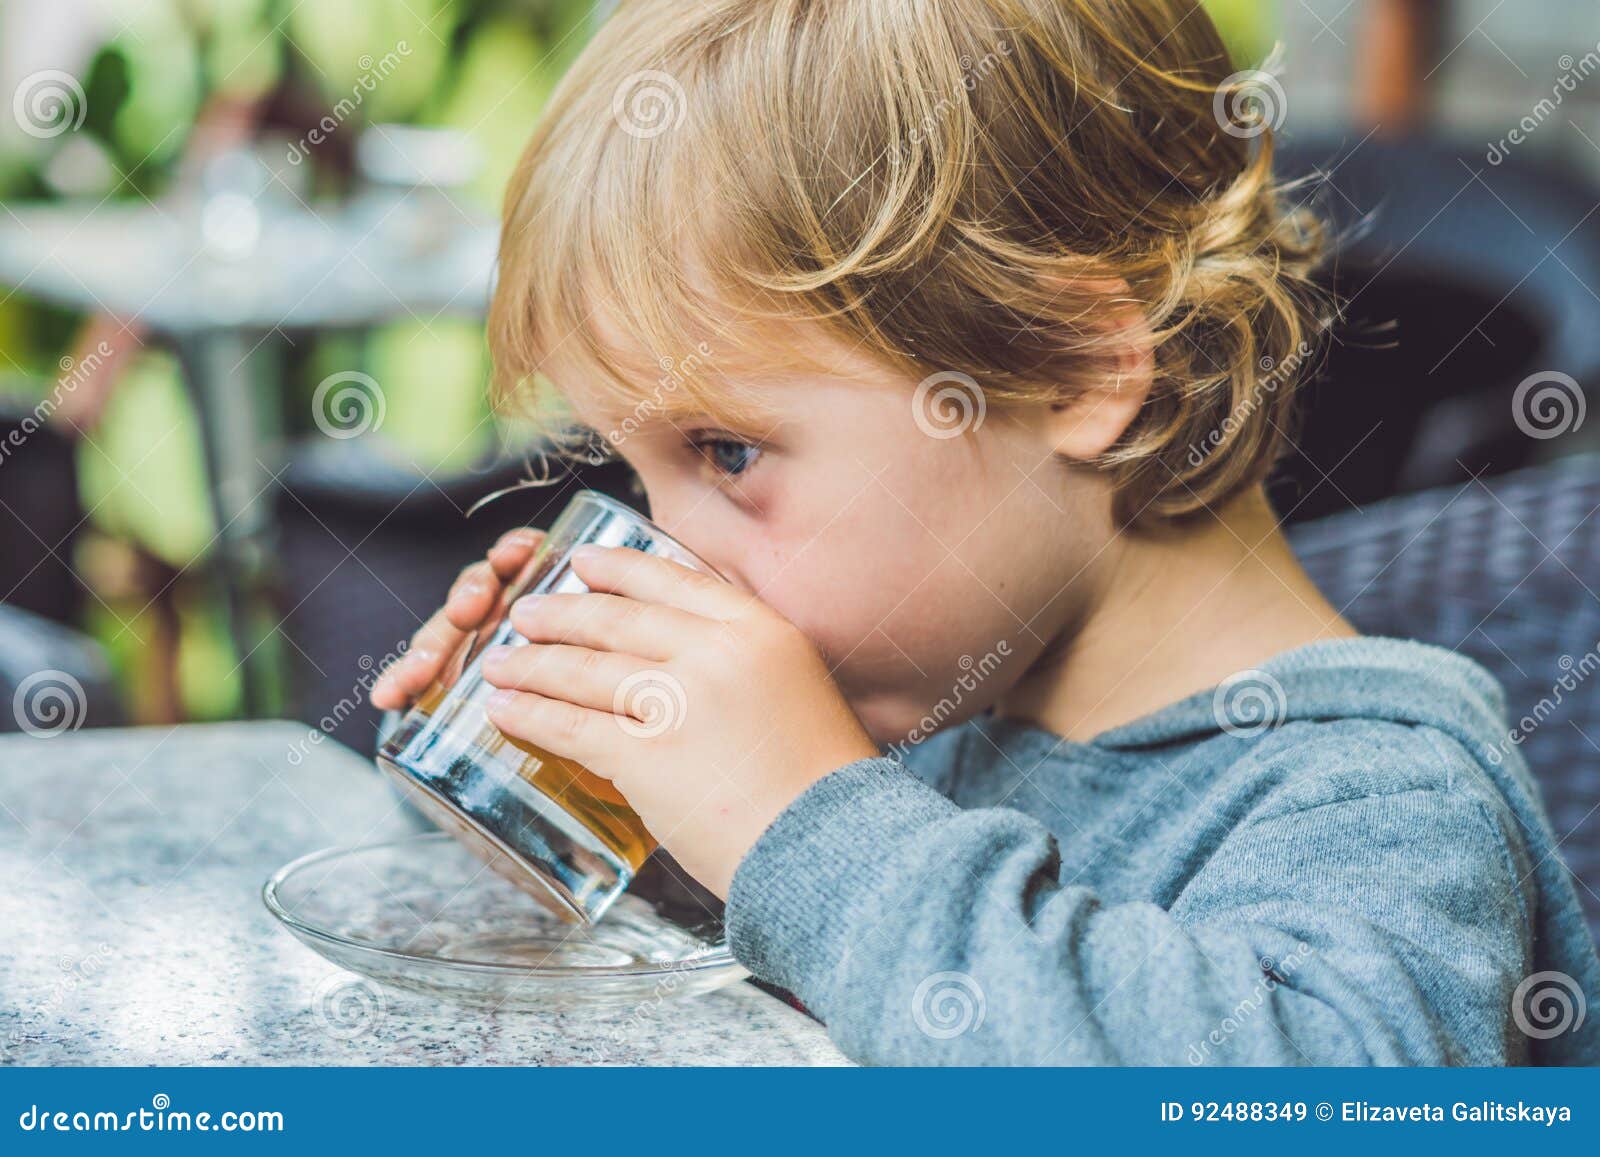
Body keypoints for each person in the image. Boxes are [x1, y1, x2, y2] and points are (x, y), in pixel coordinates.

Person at [372, 0, 1599, 1065]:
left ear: (1068, 370)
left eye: (728, 453)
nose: (671, 551)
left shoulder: (1373, 800)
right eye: (635, 475)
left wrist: (794, 816)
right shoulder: (934, 726)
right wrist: (588, 811)